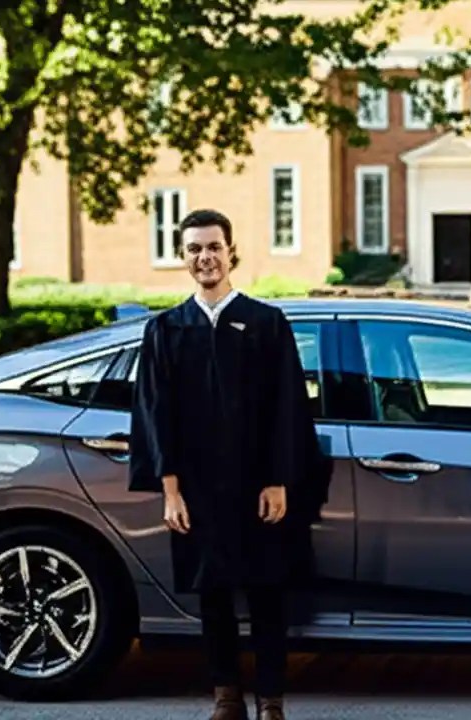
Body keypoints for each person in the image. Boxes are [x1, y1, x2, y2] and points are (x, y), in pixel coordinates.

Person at [128, 208, 327, 720]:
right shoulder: (167, 330)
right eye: (194, 249)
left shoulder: (265, 323)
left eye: (213, 246)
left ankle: (272, 700)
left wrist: (280, 480)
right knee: (212, 596)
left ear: (231, 251)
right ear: (183, 258)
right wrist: (170, 490)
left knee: (268, 596)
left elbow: (288, 406)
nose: (205, 257)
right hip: (197, 489)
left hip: (259, 485)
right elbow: (155, 415)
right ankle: (226, 696)